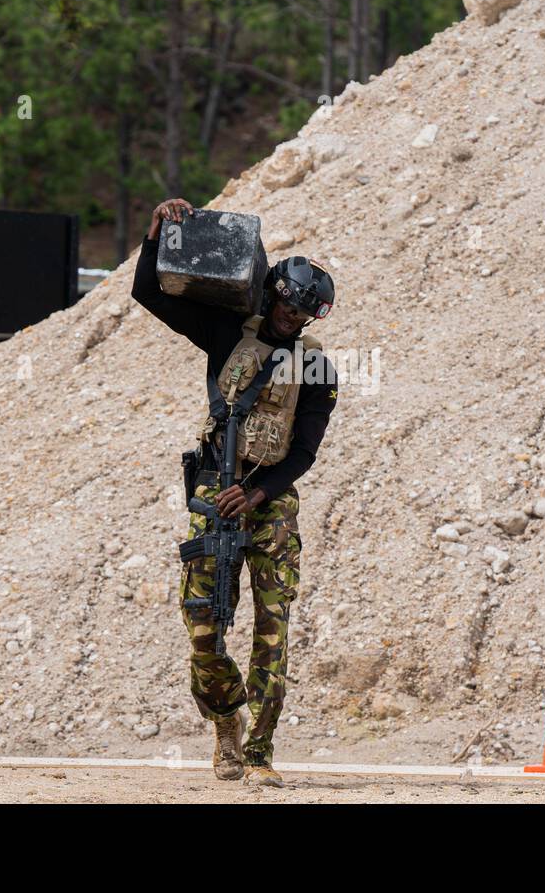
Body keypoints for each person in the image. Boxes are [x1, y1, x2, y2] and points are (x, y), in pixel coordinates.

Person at [131, 197, 338, 787]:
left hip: (269, 503)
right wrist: (156, 233)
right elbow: (150, 294)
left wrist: (257, 494)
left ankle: (258, 750)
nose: (290, 320)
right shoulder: (227, 333)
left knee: (272, 628)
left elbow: (304, 451)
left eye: (302, 317)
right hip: (212, 494)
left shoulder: (318, 368)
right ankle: (226, 721)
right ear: (271, 293)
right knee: (202, 625)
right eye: (286, 307)